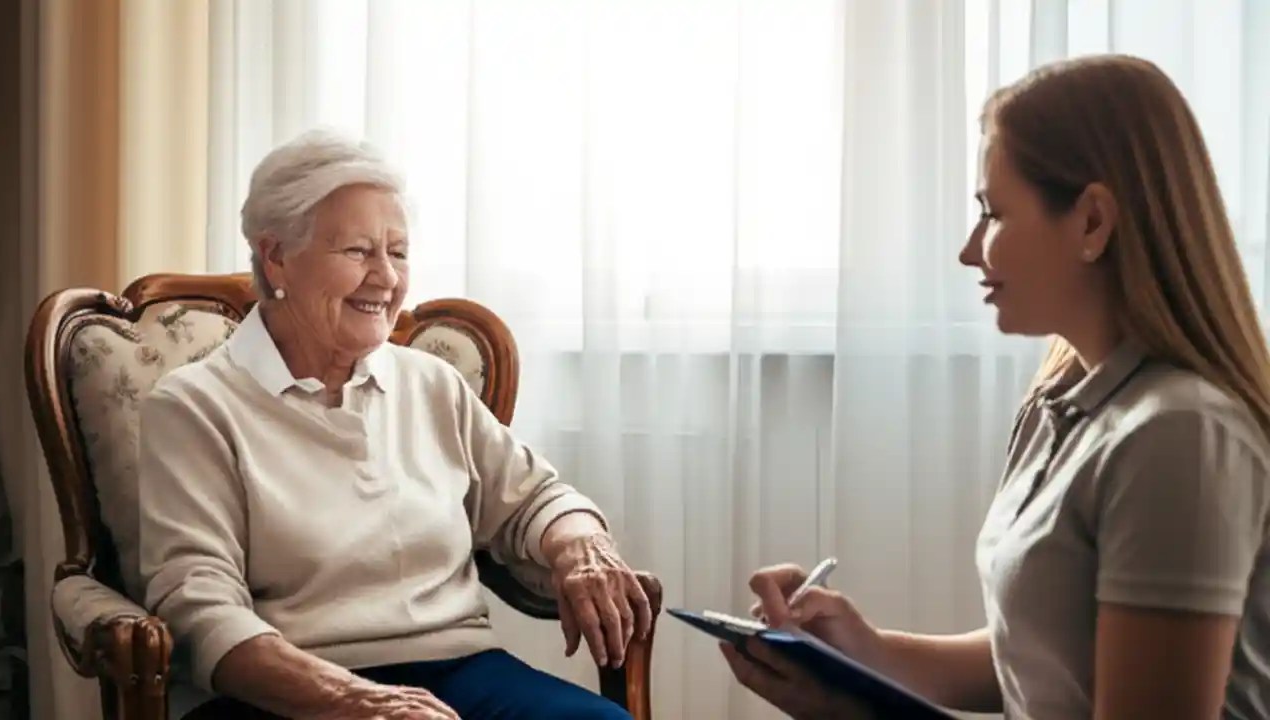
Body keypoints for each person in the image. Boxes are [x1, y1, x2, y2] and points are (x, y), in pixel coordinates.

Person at [722, 54, 1270, 720]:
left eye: (993, 214)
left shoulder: (1180, 435)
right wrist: (862, 652)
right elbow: (1044, 656)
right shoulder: (1062, 403)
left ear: (1093, 222)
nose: (970, 249)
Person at [137, 130, 651, 720]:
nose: (386, 277)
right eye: (358, 251)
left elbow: (536, 496)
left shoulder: (429, 383)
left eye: (398, 252)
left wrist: (582, 547)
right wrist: (352, 701)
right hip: (286, 691)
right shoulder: (195, 407)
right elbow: (199, 609)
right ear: (276, 255)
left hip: (461, 668)